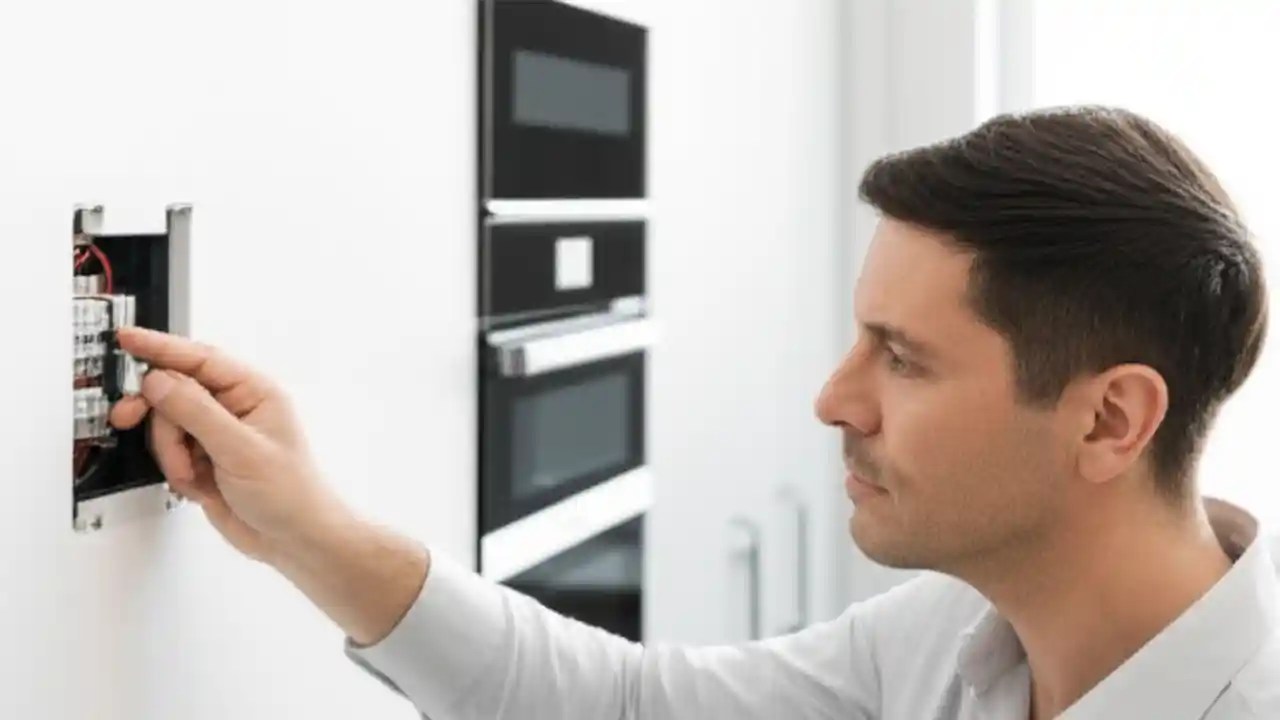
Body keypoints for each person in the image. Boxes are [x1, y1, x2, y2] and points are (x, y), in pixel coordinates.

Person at [108, 106, 1280, 720]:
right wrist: (311, 532)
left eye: (903, 359)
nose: (834, 399)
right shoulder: (947, 643)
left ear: (1108, 422)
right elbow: (627, 709)